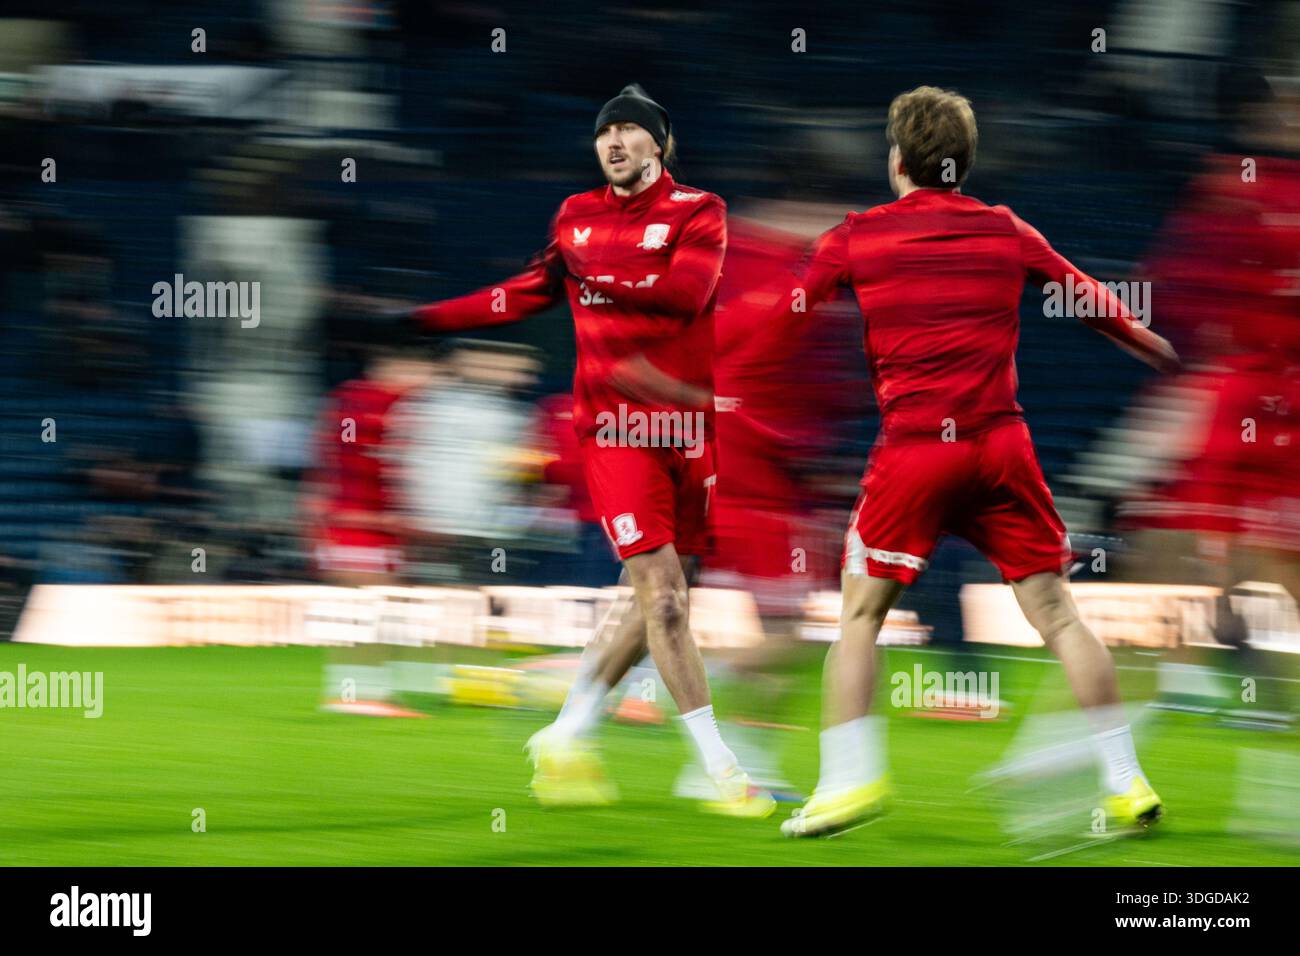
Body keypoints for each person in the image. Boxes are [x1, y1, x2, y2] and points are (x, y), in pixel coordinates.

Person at [773, 86, 1180, 838]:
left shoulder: (856, 236)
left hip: (916, 451)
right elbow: (1090, 299)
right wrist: (1153, 348)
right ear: (964, 163)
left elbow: (783, 318)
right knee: (1058, 614)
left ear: (897, 161)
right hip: (1000, 449)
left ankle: (847, 785)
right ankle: (1127, 785)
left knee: (860, 615)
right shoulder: (1005, 229)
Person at [411, 84, 774, 817]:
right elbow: (523, 293)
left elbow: (686, 294)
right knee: (666, 600)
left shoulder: (700, 211)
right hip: (615, 432)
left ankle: (566, 732)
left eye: (630, 130)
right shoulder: (575, 216)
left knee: (656, 603)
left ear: (658, 145)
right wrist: (424, 321)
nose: (613, 142)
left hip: (687, 430)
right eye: (604, 131)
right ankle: (717, 765)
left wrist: (597, 281)